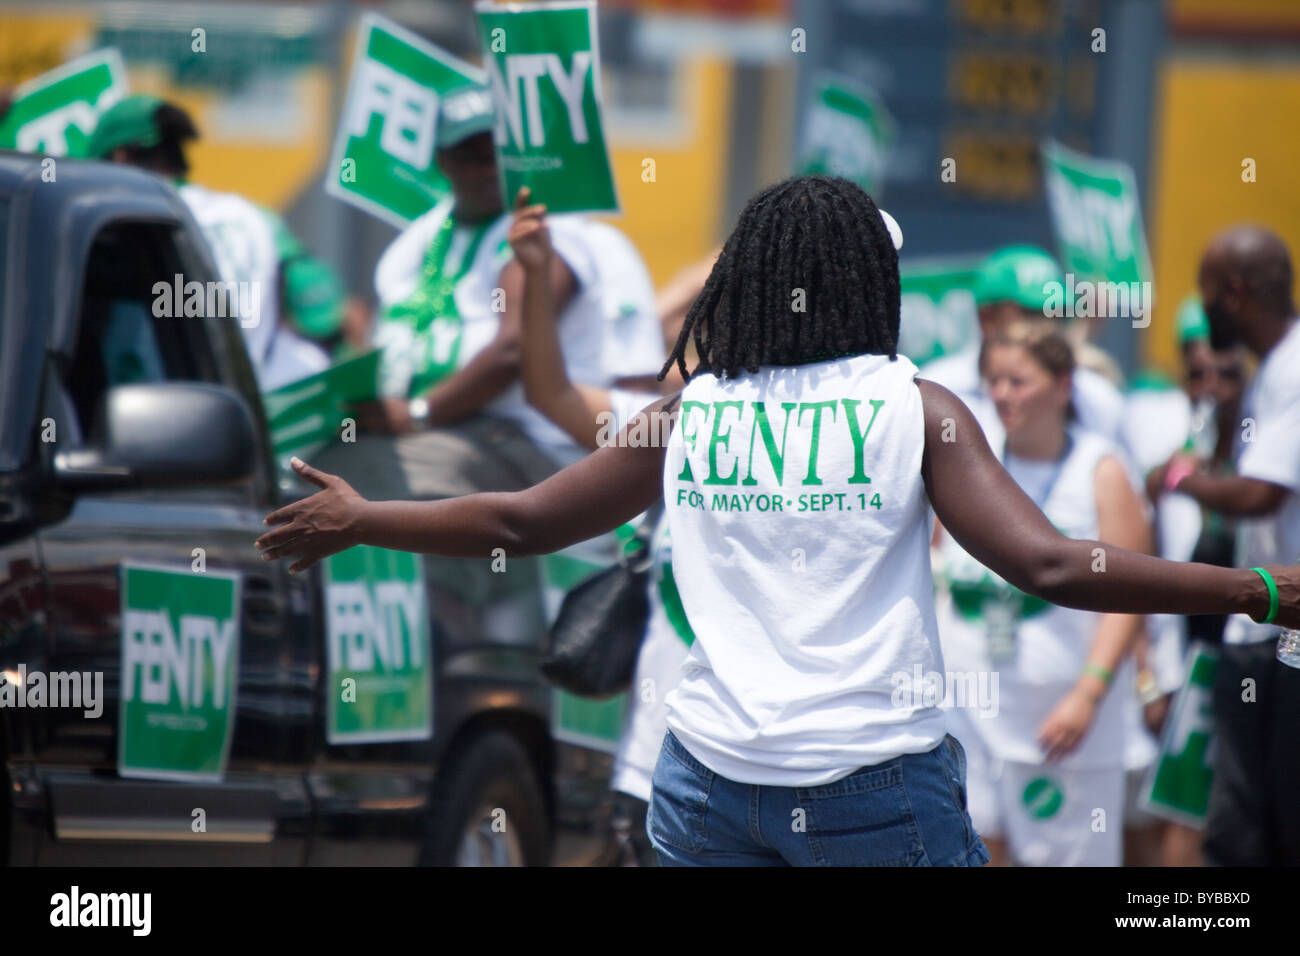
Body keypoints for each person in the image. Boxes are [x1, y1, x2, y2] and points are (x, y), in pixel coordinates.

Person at [255, 176, 1300, 867]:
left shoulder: (690, 414)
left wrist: (365, 515)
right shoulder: (916, 407)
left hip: (706, 781)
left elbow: (520, 518)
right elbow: (1049, 562)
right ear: (867, 282)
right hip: (875, 786)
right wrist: (1251, 588)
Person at [321, 84, 665, 505]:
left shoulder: (544, 225)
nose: (491, 169)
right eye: (473, 156)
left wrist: (416, 414)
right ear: (441, 160)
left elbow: (513, 348)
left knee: (402, 483)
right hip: (442, 429)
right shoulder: (417, 240)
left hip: (526, 438)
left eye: (502, 154)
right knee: (321, 470)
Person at [506, 188, 683, 865]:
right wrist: (532, 272)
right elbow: (550, 393)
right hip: (653, 766)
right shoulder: (670, 421)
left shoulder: (853, 426)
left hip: (785, 772)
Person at [933, 321, 1149, 866]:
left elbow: (1130, 595)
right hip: (973, 717)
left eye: (1018, 381)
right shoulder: (968, 457)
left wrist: (1088, 693)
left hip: (1064, 723)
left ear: (1063, 386)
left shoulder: (1100, 469)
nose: (1003, 395)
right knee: (980, 852)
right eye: (994, 381)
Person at [1147, 225, 1300, 867]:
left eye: (1208, 293)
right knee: (1241, 827)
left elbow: (1264, 493)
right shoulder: (1278, 369)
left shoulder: (1294, 365)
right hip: (1263, 630)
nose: (1205, 308)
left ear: (1233, 293)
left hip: (1285, 631)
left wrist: (1180, 480)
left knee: (1266, 828)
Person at [85, 94, 333, 390]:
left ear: (120, 156)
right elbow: (322, 308)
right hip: (254, 410)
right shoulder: (253, 216)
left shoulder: (121, 223)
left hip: (147, 414)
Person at [919, 245, 1128, 452]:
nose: (1048, 326)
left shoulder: (1099, 398)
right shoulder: (936, 389)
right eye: (1033, 314)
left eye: (1057, 312)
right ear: (987, 318)